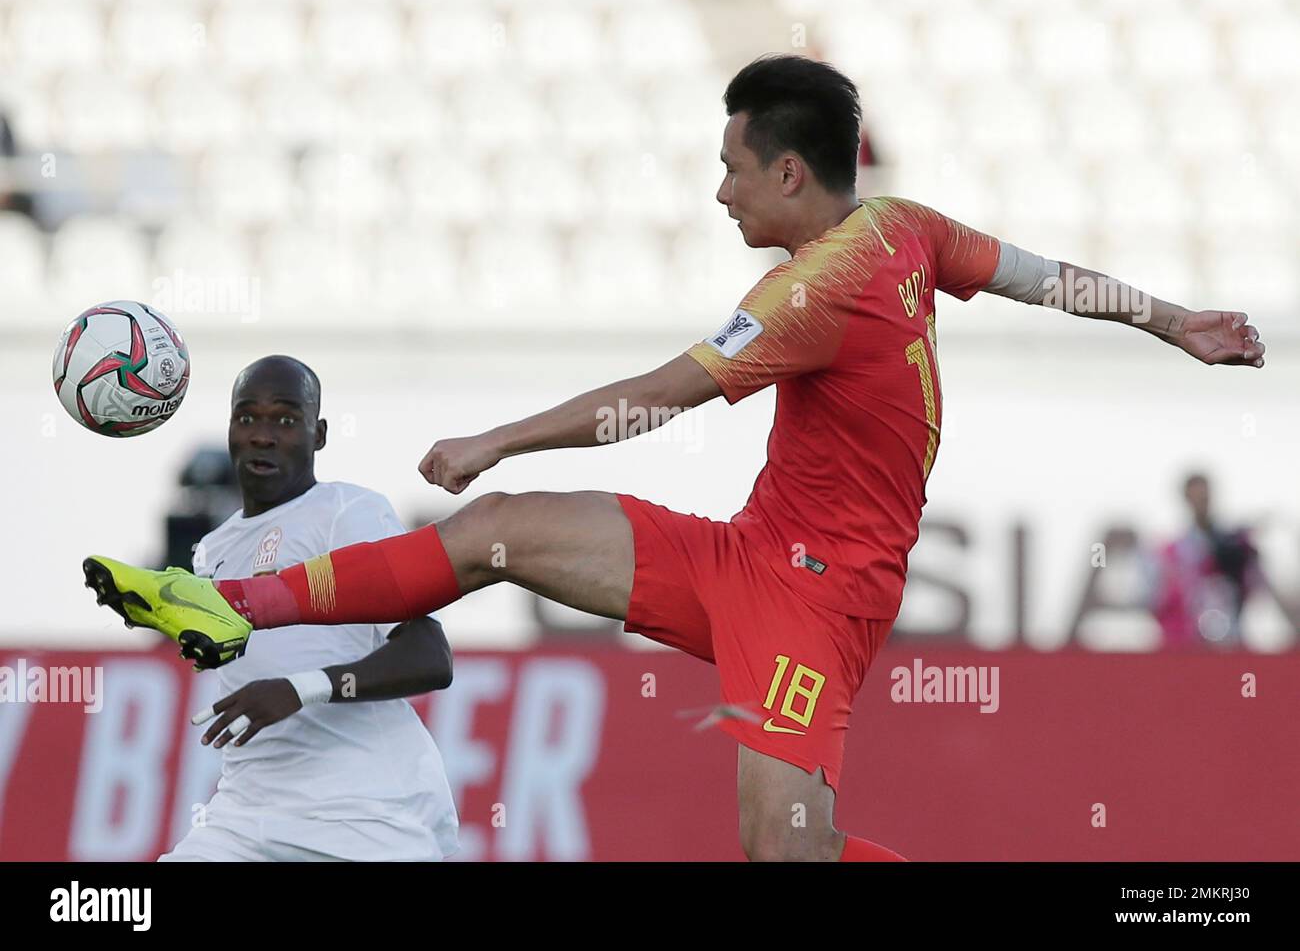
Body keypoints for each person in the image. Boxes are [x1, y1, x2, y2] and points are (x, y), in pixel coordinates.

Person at [84, 56, 1265, 862]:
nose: (719, 187)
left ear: (788, 174)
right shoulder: (904, 226)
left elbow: (647, 405)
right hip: (745, 554)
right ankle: (226, 599)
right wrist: (1173, 319)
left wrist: (501, 427)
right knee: (497, 529)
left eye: (732, 166)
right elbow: (1042, 275)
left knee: (780, 851)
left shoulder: (813, 290)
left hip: (818, 606)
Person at [152, 355, 459, 861]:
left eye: (286, 419)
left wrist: (301, 689)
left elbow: (430, 655)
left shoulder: (348, 512)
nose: (263, 435)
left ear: (318, 434)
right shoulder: (211, 550)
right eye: (247, 417)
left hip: (369, 813)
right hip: (245, 815)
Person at [1152, 472, 1260, 648]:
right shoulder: (1173, 551)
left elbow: (1254, 586)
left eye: (1204, 496)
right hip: (1185, 643)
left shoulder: (1236, 545)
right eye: (1196, 496)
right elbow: (1159, 598)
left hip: (1230, 640)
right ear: (1187, 499)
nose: (1201, 502)